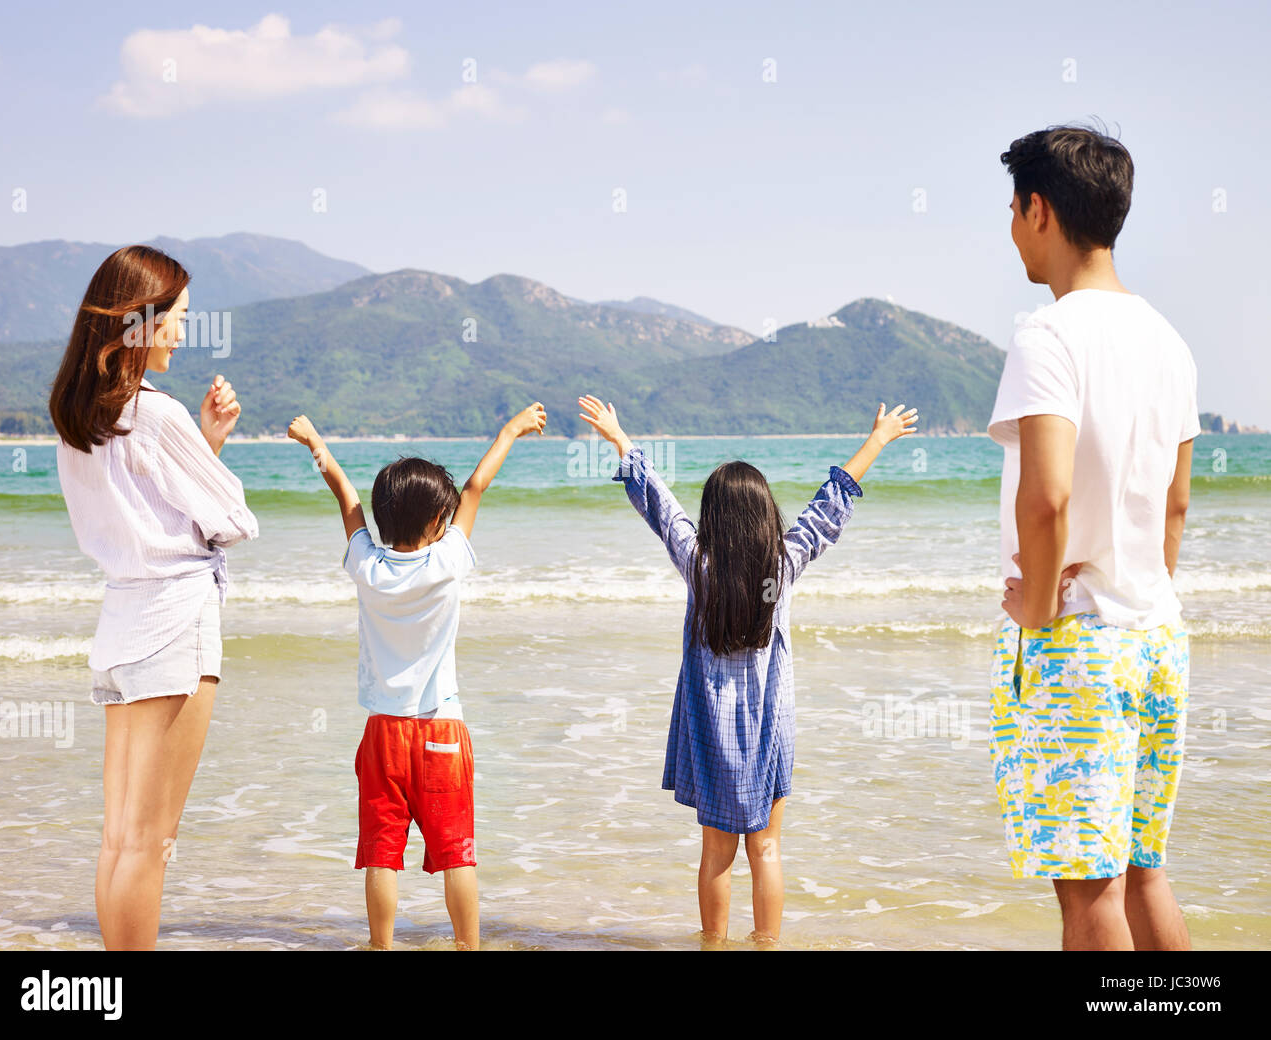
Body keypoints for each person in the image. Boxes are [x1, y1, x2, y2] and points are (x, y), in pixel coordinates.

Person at [578, 393, 917, 946]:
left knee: (716, 852)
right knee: (767, 848)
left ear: (712, 518)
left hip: (711, 729)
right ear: (765, 516)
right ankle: (766, 944)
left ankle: (713, 943)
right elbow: (828, 508)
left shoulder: (699, 564)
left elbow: (660, 508)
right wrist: (876, 440)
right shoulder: (782, 565)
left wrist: (621, 440)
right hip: (769, 729)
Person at [987, 125, 1199, 950]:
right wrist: (1141, 583)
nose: (1011, 229)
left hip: (1080, 647)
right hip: (1157, 638)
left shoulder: (1049, 335)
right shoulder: (1171, 344)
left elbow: (1046, 498)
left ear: (1039, 209)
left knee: (1087, 898)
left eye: (1012, 208)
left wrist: (1038, 608)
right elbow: (1175, 508)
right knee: (1143, 874)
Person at [50, 244, 257, 950]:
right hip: (174, 625)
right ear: (141, 321)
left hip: (120, 624)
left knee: (120, 840)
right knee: (151, 843)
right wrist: (205, 451)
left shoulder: (80, 423)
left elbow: (138, 515)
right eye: (177, 319)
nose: (180, 333)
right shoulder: (158, 416)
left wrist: (203, 447)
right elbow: (233, 518)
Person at [287, 403, 547, 950]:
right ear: (437, 524)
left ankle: (381, 947)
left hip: (383, 733)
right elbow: (475, 487)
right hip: (441, 731)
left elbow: (346, 496)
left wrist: (315, 442)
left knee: (382, 854)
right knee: (457, 852)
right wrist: (510, 431)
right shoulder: (447, 561)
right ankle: (467, 947)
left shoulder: (368, 567)